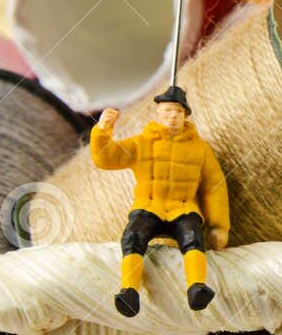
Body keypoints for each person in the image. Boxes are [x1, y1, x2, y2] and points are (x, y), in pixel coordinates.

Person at [89, 85, 229, 318]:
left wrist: (219, 226)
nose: (172, 116)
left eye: (178, 112)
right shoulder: (142, 143)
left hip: (182, 208)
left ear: (185, 116)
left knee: (193, 237)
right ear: (157, 114)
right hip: (148, 206)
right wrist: (103, 130)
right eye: (167, 111)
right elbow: (107, 158)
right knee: (133, 237)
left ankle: (197, 288)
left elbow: (214, 187)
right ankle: (129, 291)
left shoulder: (200, 149)